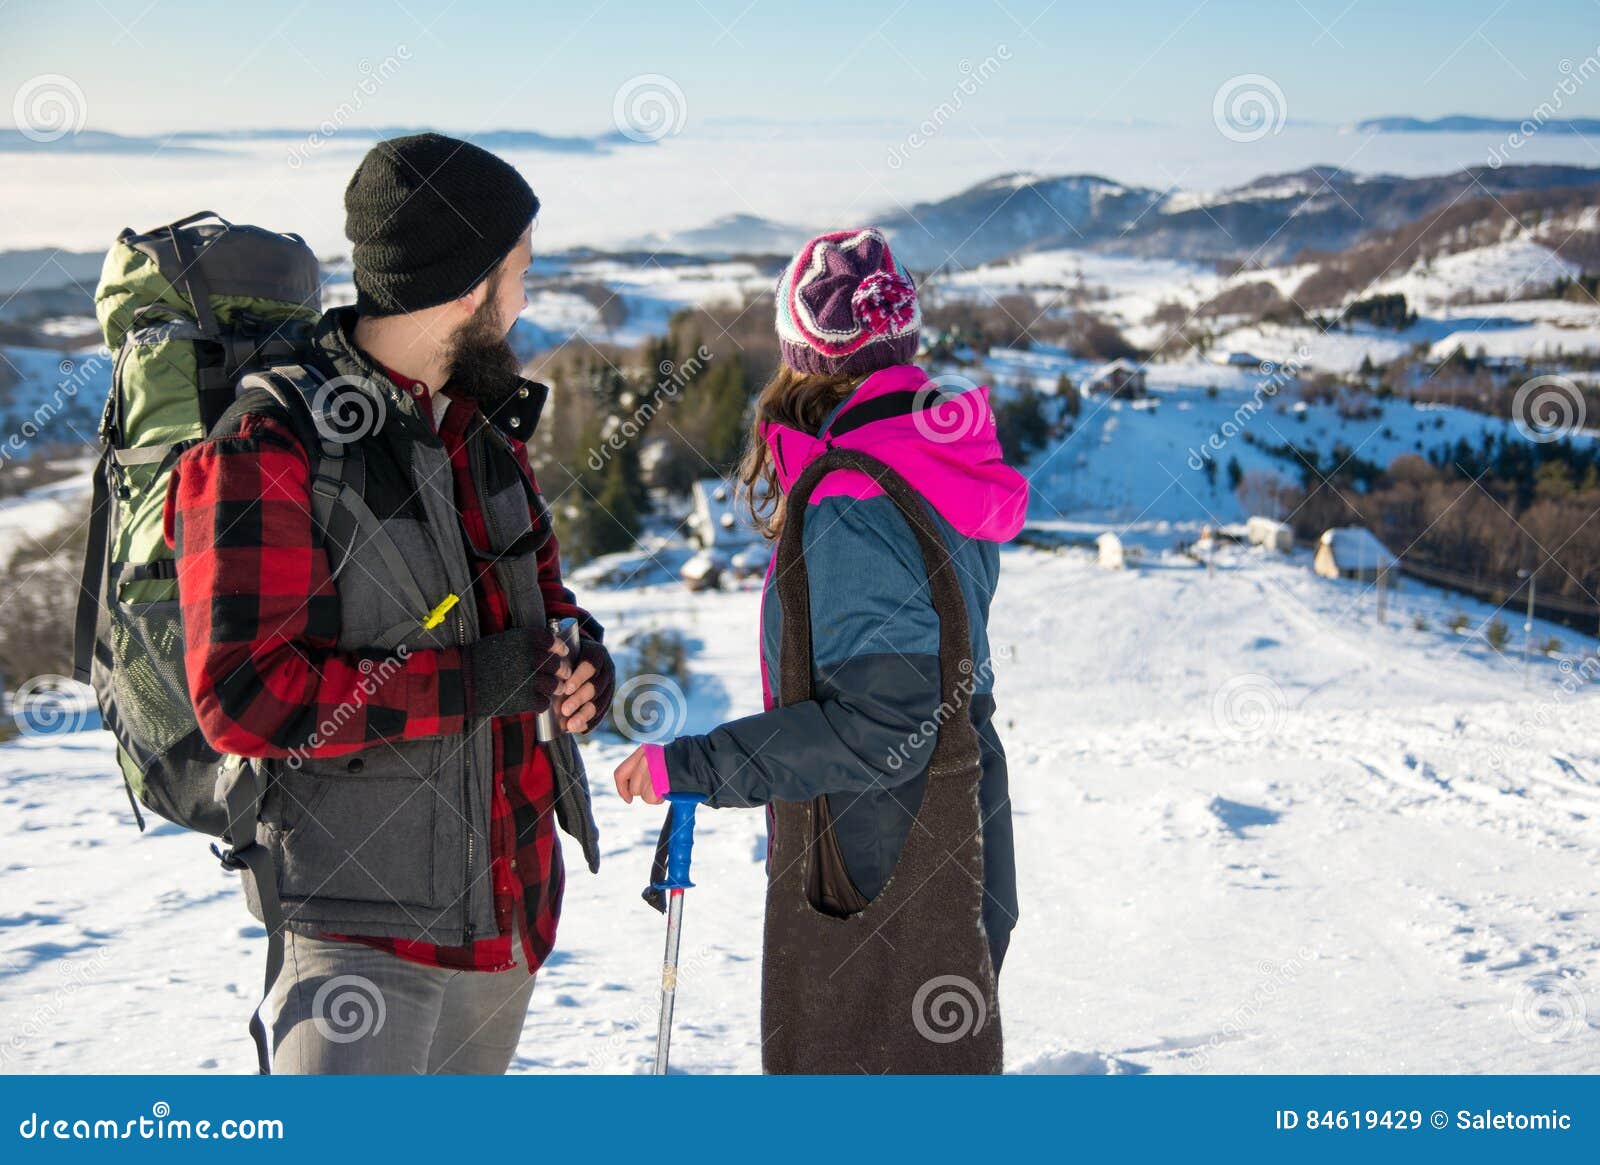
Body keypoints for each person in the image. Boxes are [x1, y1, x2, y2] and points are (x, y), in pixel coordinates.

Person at [166, 133, 614, 1073]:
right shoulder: (269, 445)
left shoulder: (483, 429)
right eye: (519, 274)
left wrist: (579, 662)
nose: (524, 300)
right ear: (468, 289)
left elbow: (543, 602)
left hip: (509, 912)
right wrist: (480, 680)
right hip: (361, 937)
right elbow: (245, 694)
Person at [612, 227, 1026, 1022]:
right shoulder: (938, 465)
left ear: (801, 359)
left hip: (881, 879)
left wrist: (697, 764)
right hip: (954, 849)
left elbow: (883, 725)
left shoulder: (855, 499)